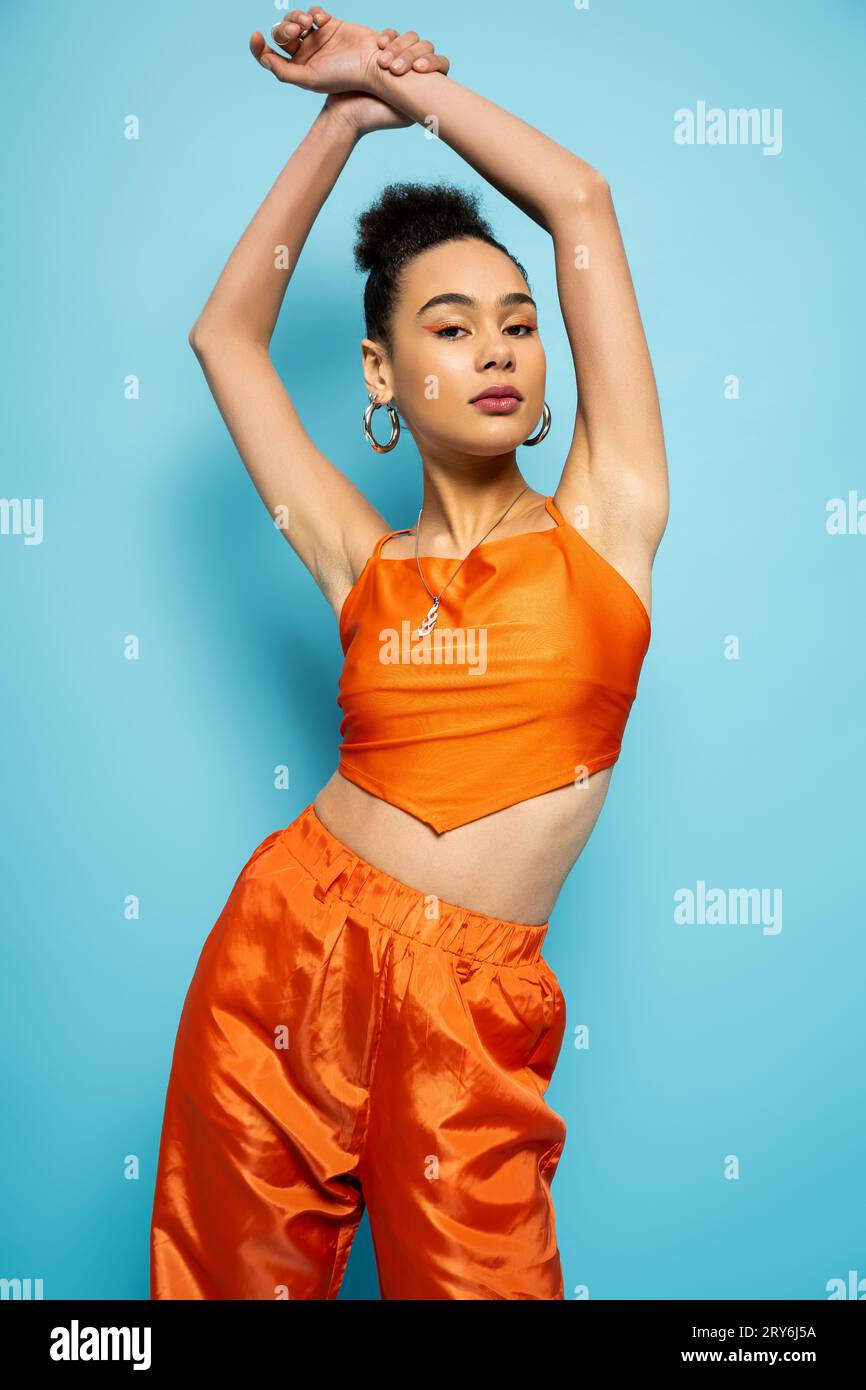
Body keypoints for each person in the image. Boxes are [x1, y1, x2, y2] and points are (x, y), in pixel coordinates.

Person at [150, 8, 669, 1301]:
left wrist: (405, 84)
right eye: (449, 325)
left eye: (516, 322)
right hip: (284, 951)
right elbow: (225, 340)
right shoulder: (358, 562)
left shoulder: (610, 519)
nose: (495, 346)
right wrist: (344, 119)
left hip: (470, 1002)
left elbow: (581, 205)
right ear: (379, 373)